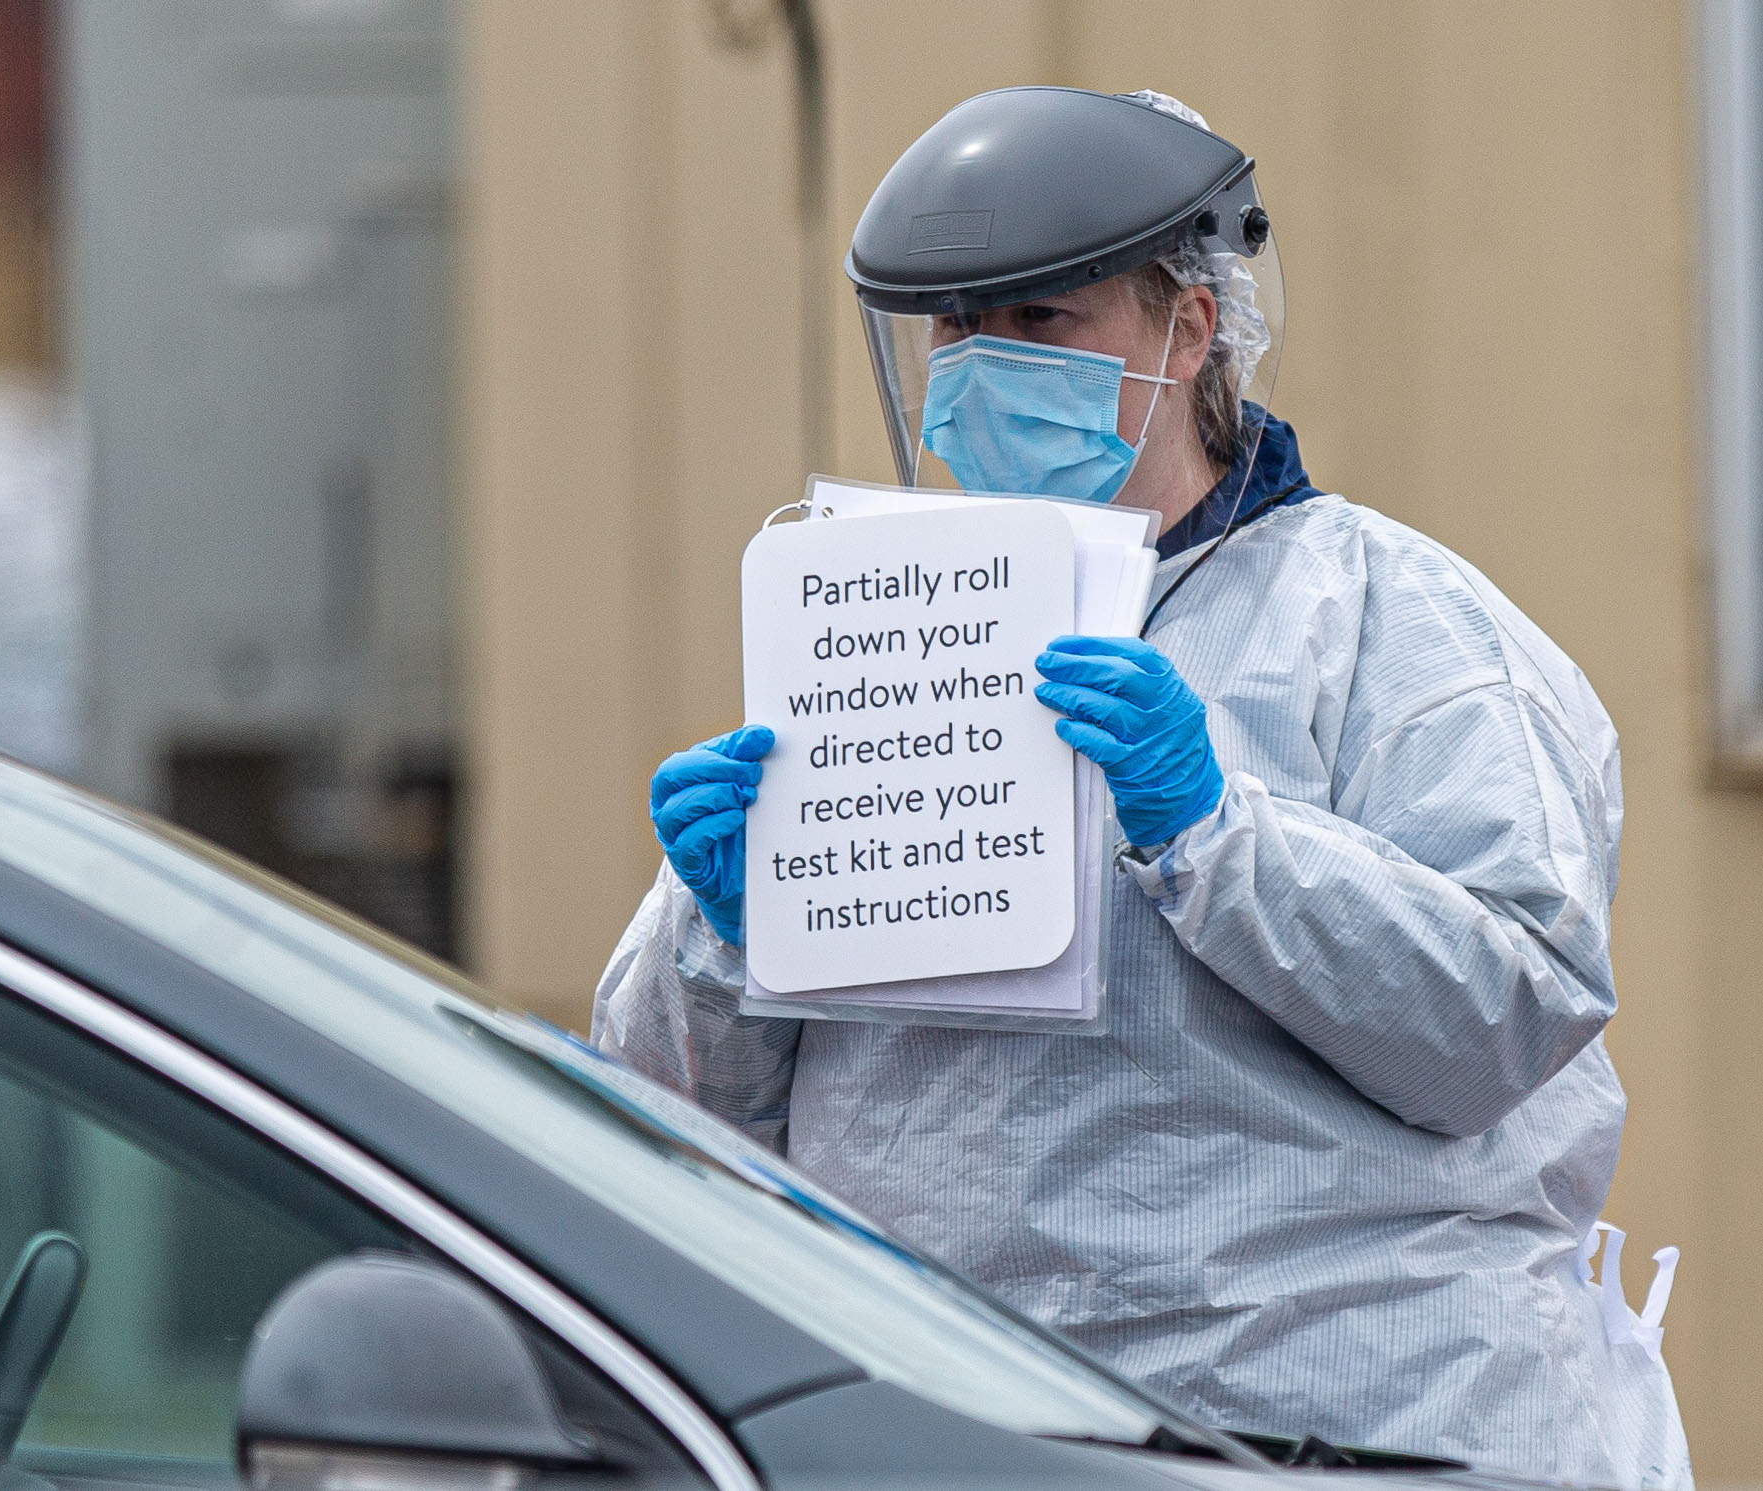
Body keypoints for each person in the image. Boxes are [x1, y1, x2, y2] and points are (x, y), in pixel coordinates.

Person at [591, 86, 1685, 1486]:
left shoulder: (1395, 626)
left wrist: (1216, 832)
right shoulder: (882, 636)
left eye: (1041, 319)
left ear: (1192, 327)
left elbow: (1504, 1021)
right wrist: (723, 936)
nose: (980, 366)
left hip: (1351, 1431)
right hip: (958, 1434)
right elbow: (666, 1130)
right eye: (953, 329)